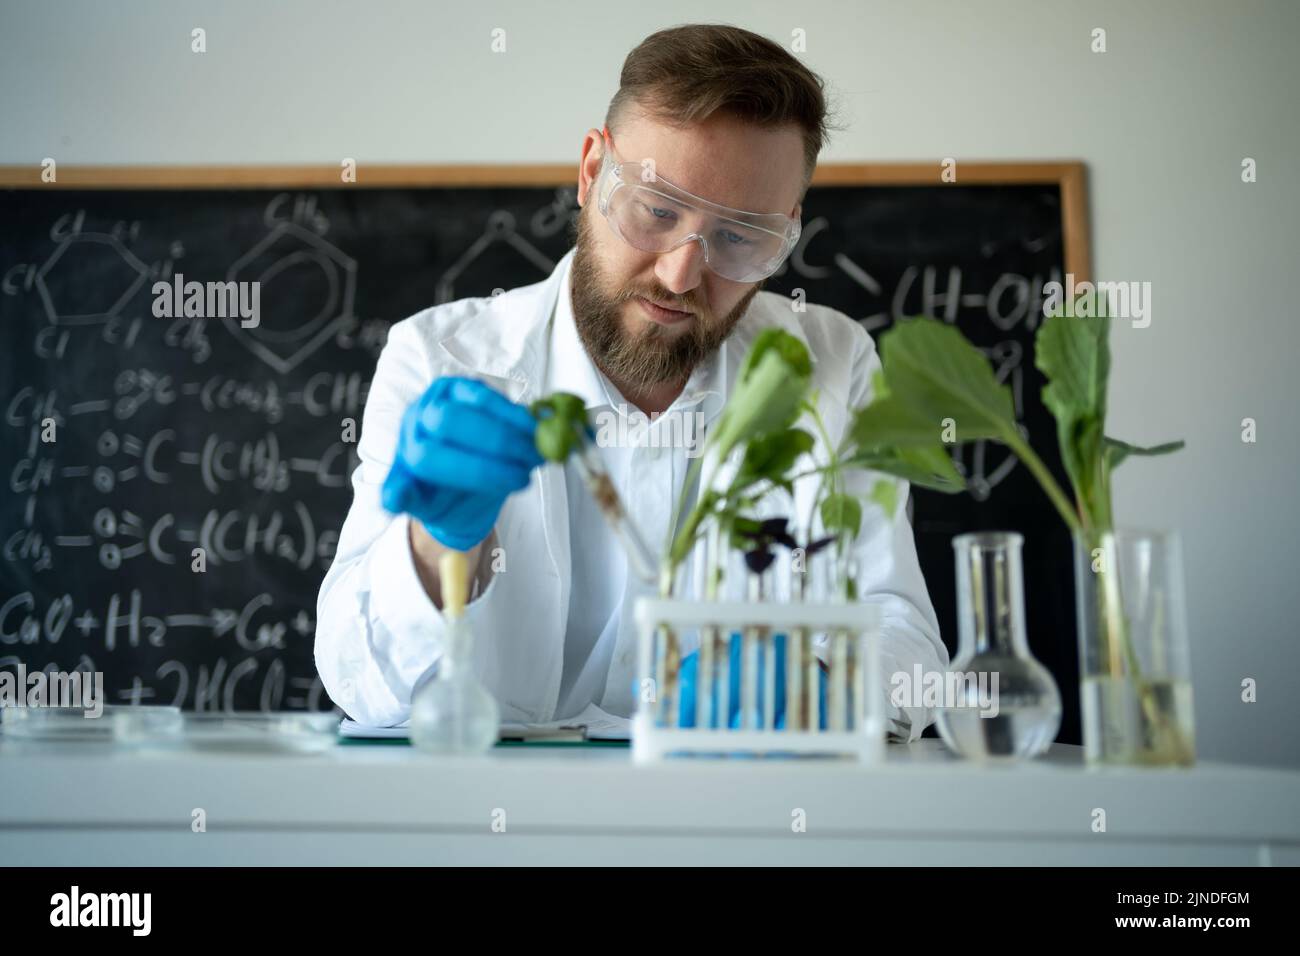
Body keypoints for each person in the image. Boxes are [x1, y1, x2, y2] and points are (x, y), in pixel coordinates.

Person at [315, 24, 948, 738]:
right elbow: (354, 679)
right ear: (591, 173)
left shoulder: (831, 363)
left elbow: (904, 638)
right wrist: (436, 549)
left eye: (739, 238)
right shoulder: (440, 359)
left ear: (787, 231)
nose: (682, 273)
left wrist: (824, 691)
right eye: (656, 212)